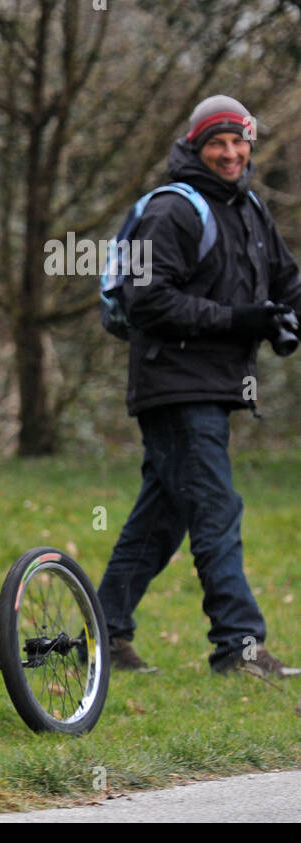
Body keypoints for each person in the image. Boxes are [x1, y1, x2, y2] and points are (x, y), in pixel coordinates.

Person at [99, 94, 301, 678]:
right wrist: (241, 320)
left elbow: (288, 283)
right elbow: (146, 298)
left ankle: (102, 633)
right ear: (195, 145)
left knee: (161, 519)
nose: (232, 152)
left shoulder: (251, 210)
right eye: (218, 142)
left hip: (214, 388)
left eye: (240, 141)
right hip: (174, 386)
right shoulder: (173, 211)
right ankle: (239, 649)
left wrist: (279, 317)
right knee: (215, 509)